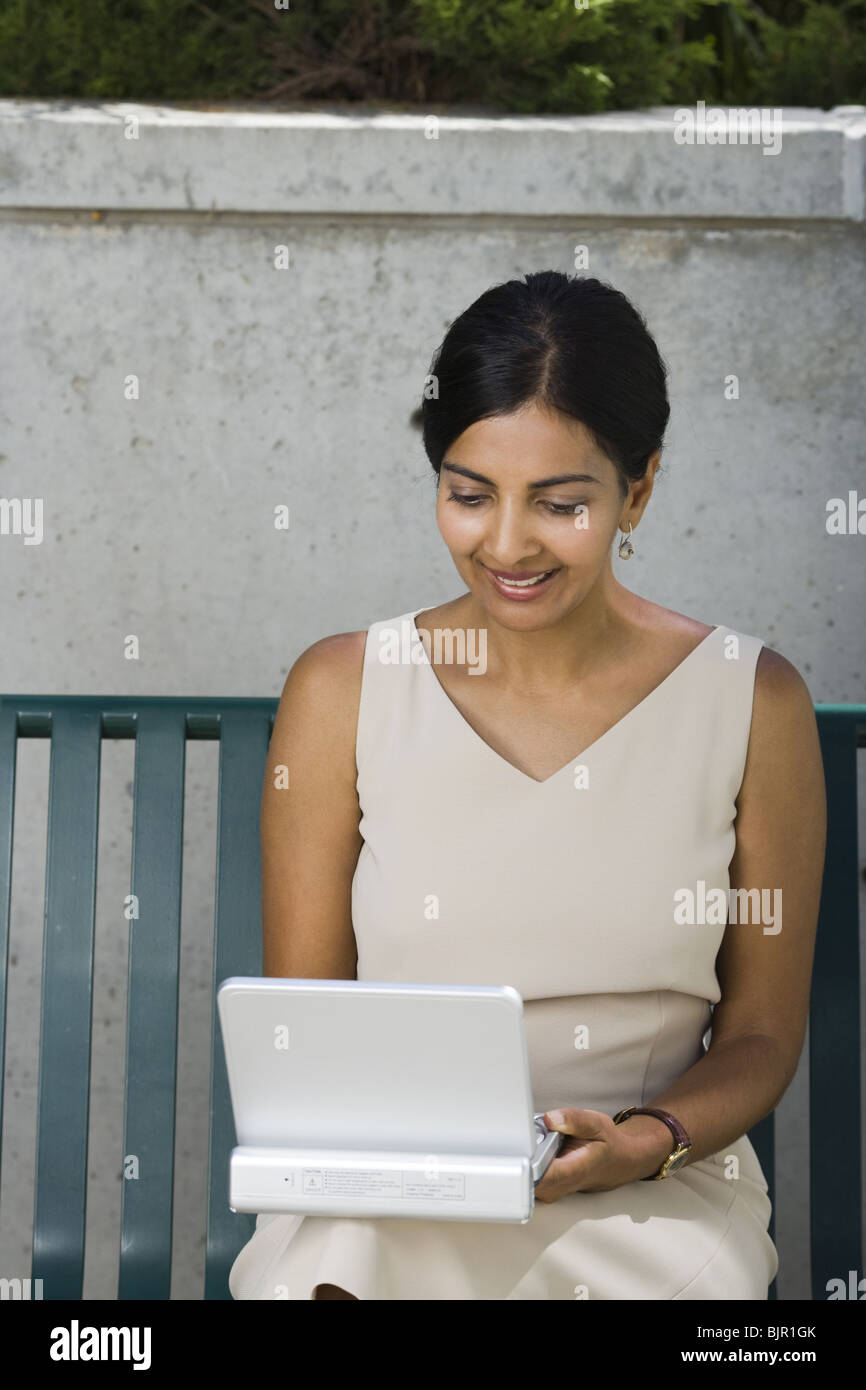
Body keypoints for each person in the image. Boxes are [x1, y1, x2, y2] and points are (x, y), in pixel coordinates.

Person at [229, 270, 826, 1300]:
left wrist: (650, 1137)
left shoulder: (750, 702)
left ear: (636, 489)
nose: (505, 544)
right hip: (395, 1190)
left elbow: (763, 1034)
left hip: (653, 1184)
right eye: (468, 495)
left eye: (558, 504)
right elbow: (308, 1024)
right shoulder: (342, 690)